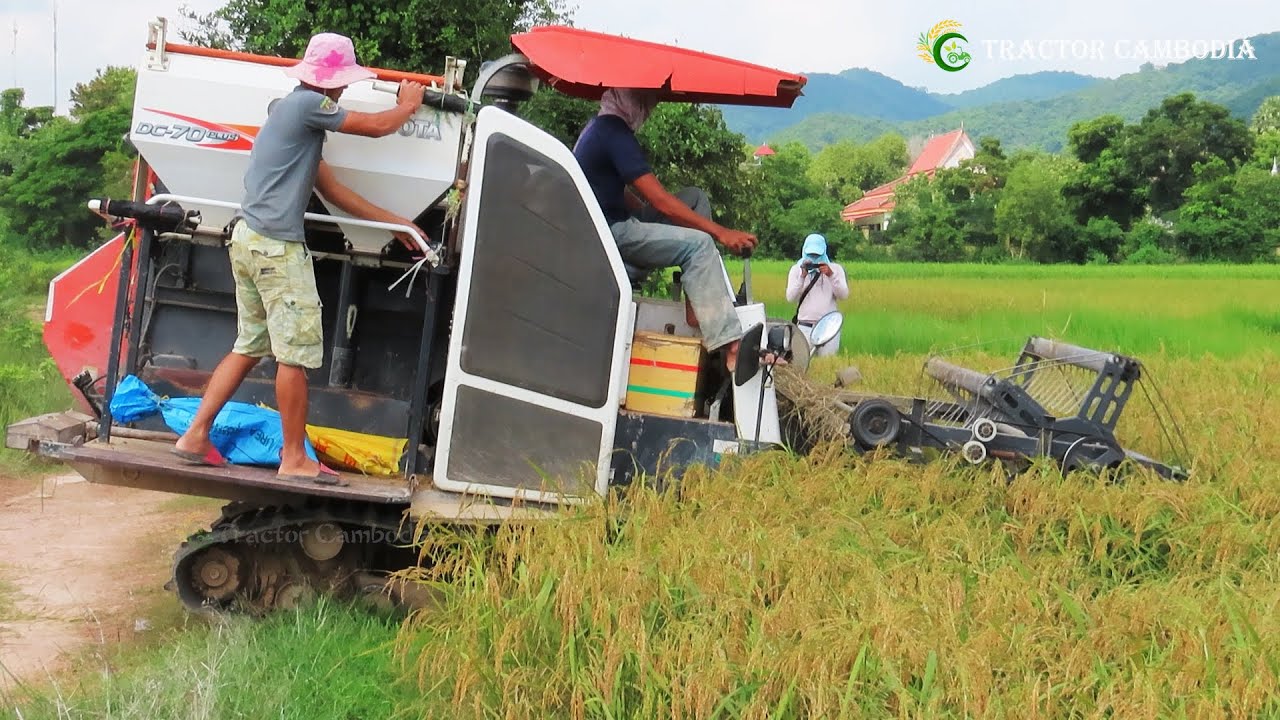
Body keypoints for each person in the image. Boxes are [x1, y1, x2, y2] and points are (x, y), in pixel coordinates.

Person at [173, 32, 429, 484]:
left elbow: (332, 191)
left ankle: (195, 435)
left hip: (249, 240)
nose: (345, 90)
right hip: (276, 247)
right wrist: (408, 105)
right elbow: (373, 127)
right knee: (293, 354)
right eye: (342, 81)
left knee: (249, 344)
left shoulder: (291, 120)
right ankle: (293, 458)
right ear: (329, 81)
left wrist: (396, 222)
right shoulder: (308, 106)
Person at [572, 88, 759, 373]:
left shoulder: (597, 128)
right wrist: (722, 233)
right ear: (629, 100)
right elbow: (660, 199)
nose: (648, 110)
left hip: (616, 221)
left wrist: (652, 218)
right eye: (644, 102)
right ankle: (730, 343)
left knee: (694, 198)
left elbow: (620, 193)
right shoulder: (613, 132)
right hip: (611, 233)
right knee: (700, 245)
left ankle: (694, 307)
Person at [785, 233, 849, 357]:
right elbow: (790, 297)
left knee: (827, 365)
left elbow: (843, 295)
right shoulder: (796, 270)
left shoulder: (835, 269)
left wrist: (831, 275)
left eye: (817, 255)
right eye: (810, 255)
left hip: (829, 327)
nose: (813, 259)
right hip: (804, 326)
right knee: (803, 365)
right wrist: (802, 277)